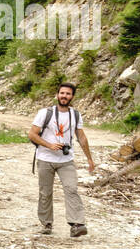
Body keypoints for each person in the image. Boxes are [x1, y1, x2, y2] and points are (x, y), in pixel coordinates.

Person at [28, 82, 95, 237]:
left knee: (71, 189)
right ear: (57, 94)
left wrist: (90, 159)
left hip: (66, 160)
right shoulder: (45, 113)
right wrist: (49, 145)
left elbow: (82, 137)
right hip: (45, 158)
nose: (65, 96)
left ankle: (77, 224)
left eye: (68, 94)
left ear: (72, 96)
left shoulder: (75, 114)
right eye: (62, 93)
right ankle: (46, 224)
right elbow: (32, 134)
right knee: (45, 193)